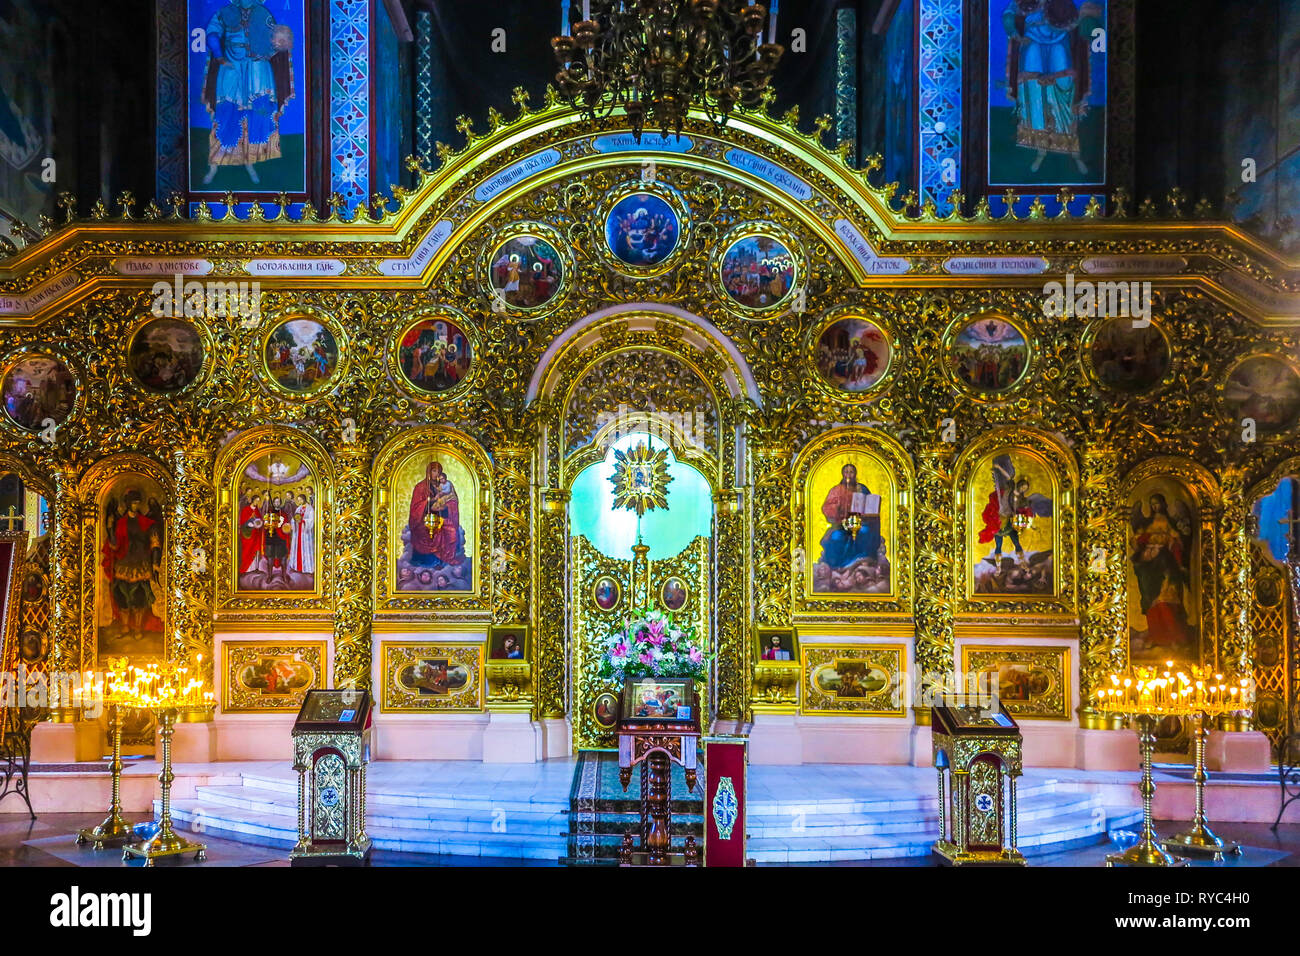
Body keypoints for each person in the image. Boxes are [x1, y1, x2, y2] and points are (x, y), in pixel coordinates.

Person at [200, 0, 295, 185]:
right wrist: (219, 55)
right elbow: (212, 36)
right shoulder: (224, 13)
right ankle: (216, 164)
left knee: (258, 114)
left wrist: (281, 42)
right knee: (226, 113)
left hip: (257, 72)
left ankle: (251, 162)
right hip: (232, 69)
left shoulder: (263, 13)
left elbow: (275, 41)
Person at [1002, 0, 1096, 175]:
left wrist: (1082, 17)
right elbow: (1009, 14)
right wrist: (1015, 33)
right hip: (1032, 44)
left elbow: (1071, 18)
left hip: (1059, 42)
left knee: (1064, 92)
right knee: (1034, 96)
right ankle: (1041, 150)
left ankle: (1074, 153)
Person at [101, 489, 164, 639]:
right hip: (123, 564)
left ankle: (137, 628)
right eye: (133, 503)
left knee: (139, 598)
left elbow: (155, 542)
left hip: (141, 564)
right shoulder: (121, 523)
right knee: (122, 596)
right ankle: (125, 626)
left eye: (137, 503)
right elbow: (114, 545)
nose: (136, 505)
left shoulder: (146, 523)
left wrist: (155, 562)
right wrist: (110, 529)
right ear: (128, 504)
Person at [818, 463, 881, 569]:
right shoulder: (836, 490)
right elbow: (827, 507)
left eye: (851, 472)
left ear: (855, 474)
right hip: (841, 525)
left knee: (865, 531)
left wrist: (867, 513)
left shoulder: (862, 489)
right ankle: (840, 566)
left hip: (861, 523)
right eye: (846, 472)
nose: (848, 475)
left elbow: (869, 504)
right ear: (843, 474)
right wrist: (837, 508)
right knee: (836, 537)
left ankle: (863, 561)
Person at [408, 460, 463, 569]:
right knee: (424, 532)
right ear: (428, 472)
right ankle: (428, 562)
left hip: (441, 518)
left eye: (439, 472)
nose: (436, 474)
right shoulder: (420, 487)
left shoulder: (445, 486)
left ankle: (444, 561)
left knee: (450, 530)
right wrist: (431, 502)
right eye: (434, 471)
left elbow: (453, 501)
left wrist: (446, 507)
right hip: (424, 520)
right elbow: (415, 507)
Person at [289, 492, 314, 577]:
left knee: (305, 549)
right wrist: (294, 521)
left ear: (303, 499)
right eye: (298, 500)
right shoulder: (298, 508)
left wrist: (303, 521)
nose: (299, 502)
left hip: (305, 532)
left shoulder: (310, 509)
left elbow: (311, 520)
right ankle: (296, 566)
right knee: (297, 548)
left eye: (300, 500)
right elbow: (294, 518)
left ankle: (307, 568)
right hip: (298, 531)